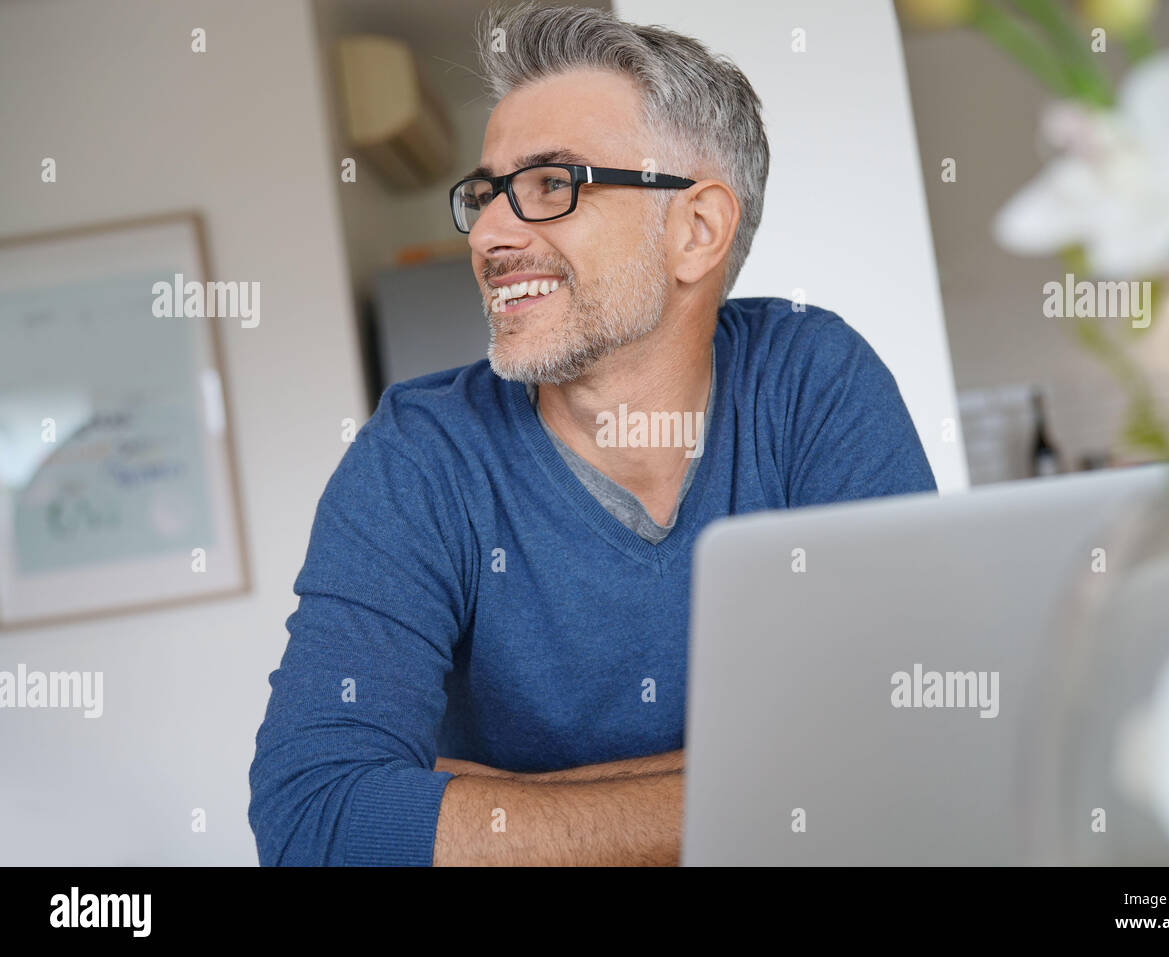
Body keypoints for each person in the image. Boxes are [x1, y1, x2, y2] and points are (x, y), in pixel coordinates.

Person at [248, 1, 936, 866]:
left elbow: (916, 737)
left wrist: (481, 793)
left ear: (696, 229)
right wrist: (776, 778)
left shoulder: (811, 380)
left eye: (551, 185)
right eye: (488, 192)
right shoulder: (419, 456)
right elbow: (317, 821)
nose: (491, 233)